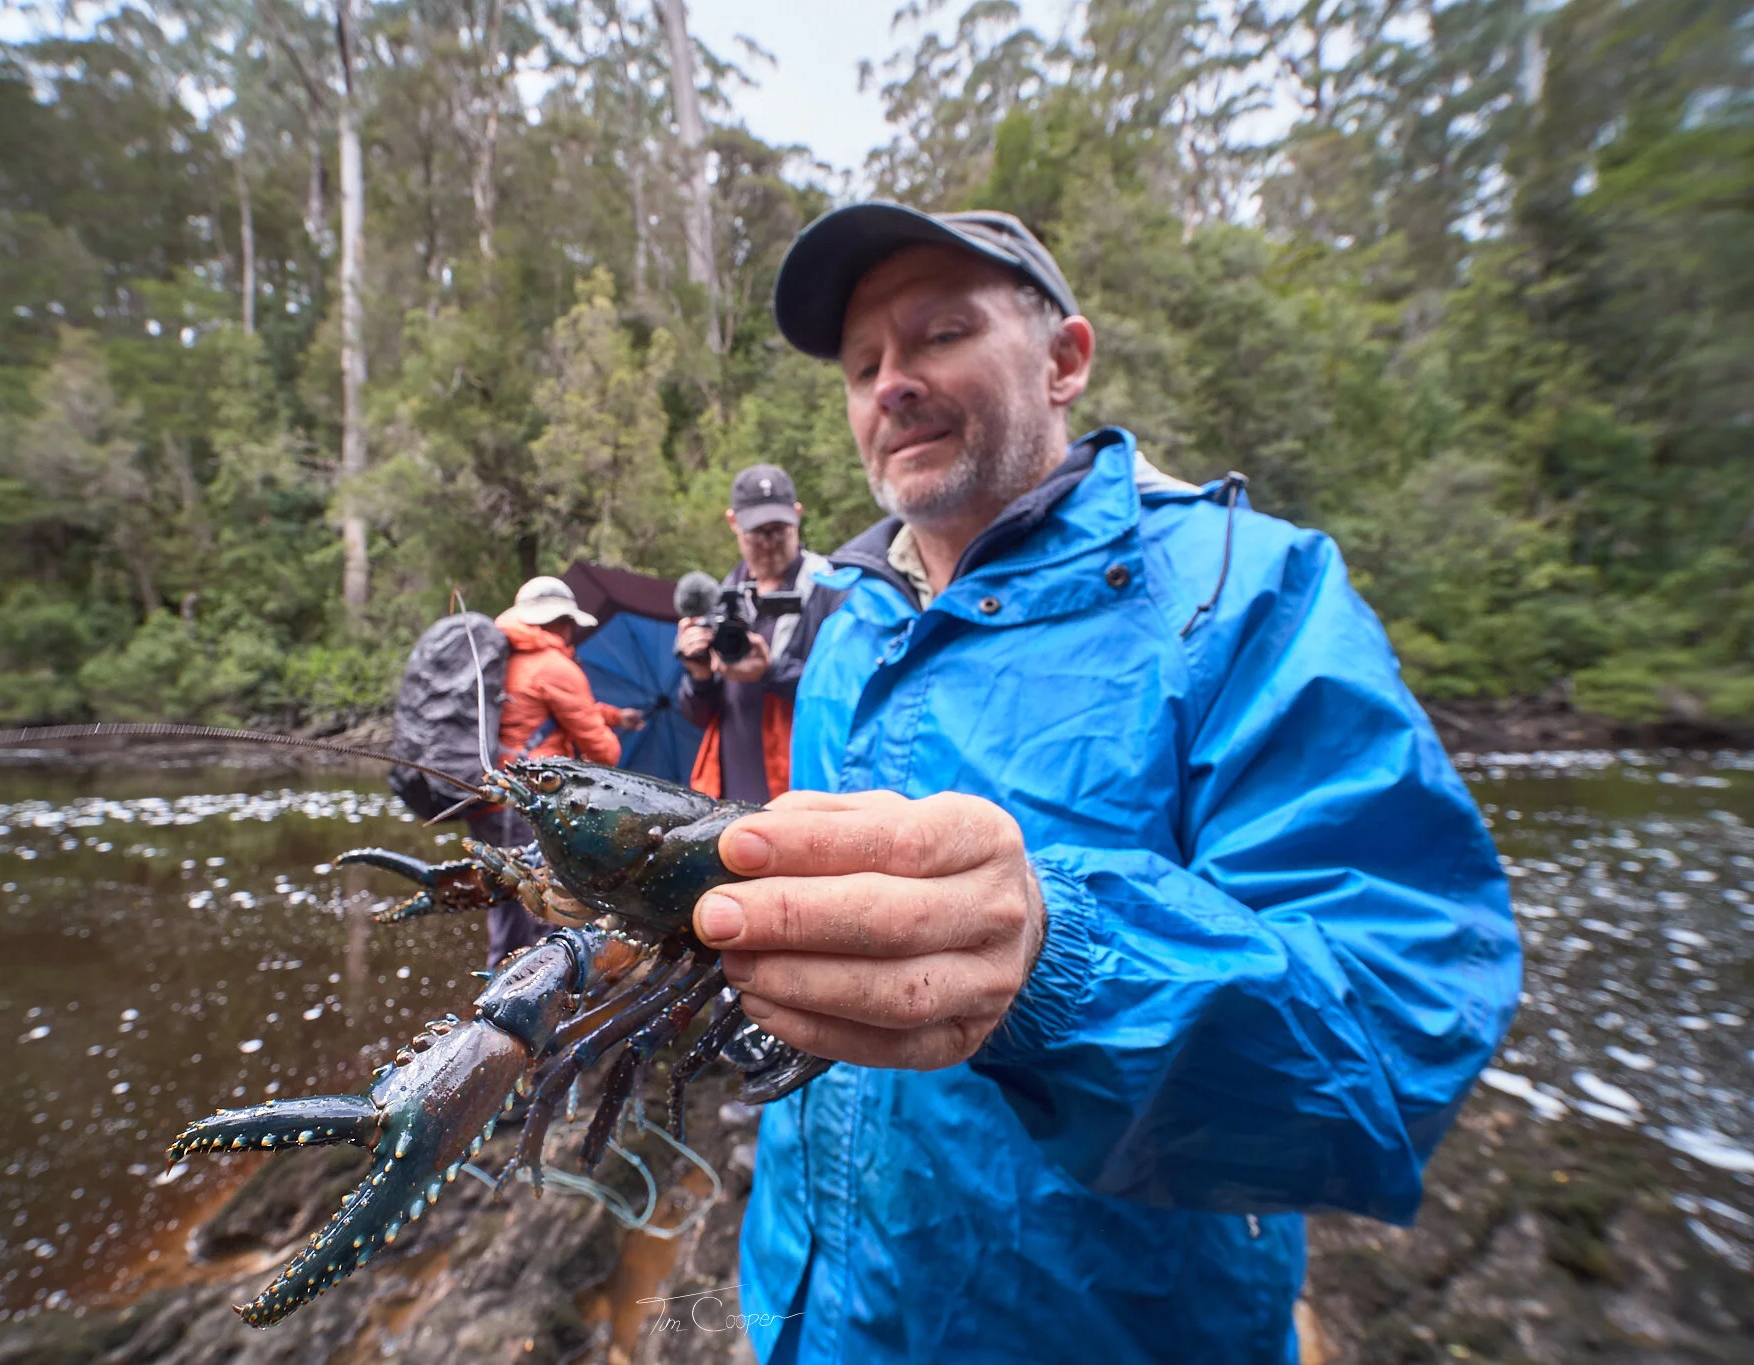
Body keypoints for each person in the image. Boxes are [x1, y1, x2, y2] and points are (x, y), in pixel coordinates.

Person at [691, 203, 1521, 1362]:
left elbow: (1400, 1029)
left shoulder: (1249, 590)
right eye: (863, 364)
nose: (891, 385)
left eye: (938, 334)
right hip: (811, 1309)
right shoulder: (850, 627)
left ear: (1064, 359)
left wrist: (1056, 960)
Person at [475, 576, 642, 967]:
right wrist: (611, 735)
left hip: (491, 797)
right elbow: (604, 751)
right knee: (544, 910)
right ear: (562, 622)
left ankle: (494, 989)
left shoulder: (505, 658)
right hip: (532, 804)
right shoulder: (555, 666)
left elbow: (549, 711)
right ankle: (537, 1001)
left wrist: (616, 716)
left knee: (505, 906)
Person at [675, 465, 834, 803]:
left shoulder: (828, 588)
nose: (768, 544)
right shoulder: (725, 596)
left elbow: (844, 693)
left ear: (797, 515)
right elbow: (699, 716)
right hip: (728, 784)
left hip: (801, 784)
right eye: (756, 533)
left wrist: (771, 671)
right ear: (733, 522)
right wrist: (700, 675)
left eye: (778, 531)